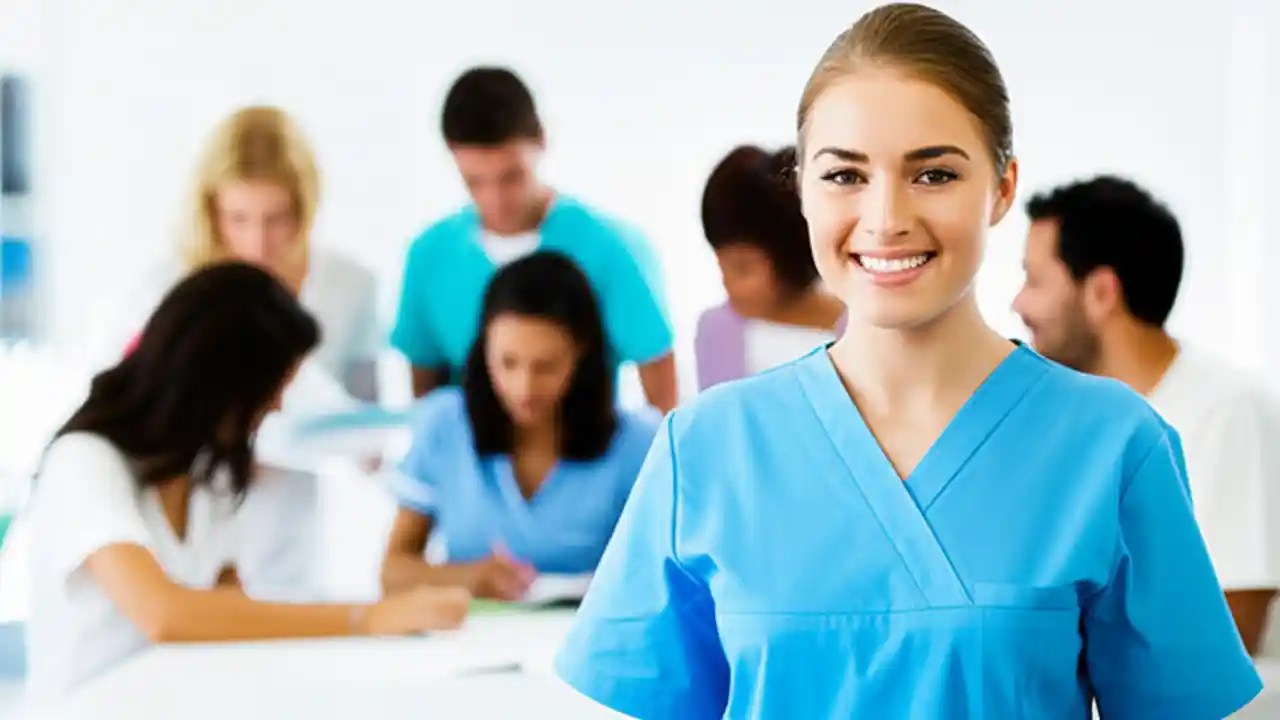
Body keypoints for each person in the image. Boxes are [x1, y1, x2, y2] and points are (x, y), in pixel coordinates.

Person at [553, 4, 1262, 718]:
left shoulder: (1113, 447)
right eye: (844, 175)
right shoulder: (702, 451)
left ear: (1002, 187)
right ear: (802, 189)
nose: (886, 216)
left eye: (933, 175)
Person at [24, 263, 468, 700]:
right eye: (272, 389)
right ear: (218, 384)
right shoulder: (84, 463)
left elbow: (231, 612)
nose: (276, 408)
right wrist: (366, 618)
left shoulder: (207, 471)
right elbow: (164, 614)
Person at [1013, 175, 1280, 655]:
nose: (1018, 304)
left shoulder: (1227, 412)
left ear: (1100, 293)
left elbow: (1230, 636)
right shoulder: (1074, 426)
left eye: (1034, 280)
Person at [391, 67, 677, 412]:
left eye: (511, 177)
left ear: (541, 139)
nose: (495, 200)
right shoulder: (430, 257)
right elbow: (425, 402)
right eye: (474, 182)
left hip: (589, 457)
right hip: (470, 461)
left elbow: (662, 397)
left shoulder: (612, 249)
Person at [382, 252, 658, 601]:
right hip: (467, 645)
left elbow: (661, 579)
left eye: (545, 366)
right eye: (507, 362)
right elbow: (393, 571)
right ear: (483, 350)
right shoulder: (443, 424)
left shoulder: (637, 444)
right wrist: (468, 577)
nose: (524, 387)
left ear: (582, 354)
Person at [695, 144, 846, 389]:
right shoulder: (719, 330)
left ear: (789, 257)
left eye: (742, 268)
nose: (728, 284)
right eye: (721, 265)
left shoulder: (865, 328)